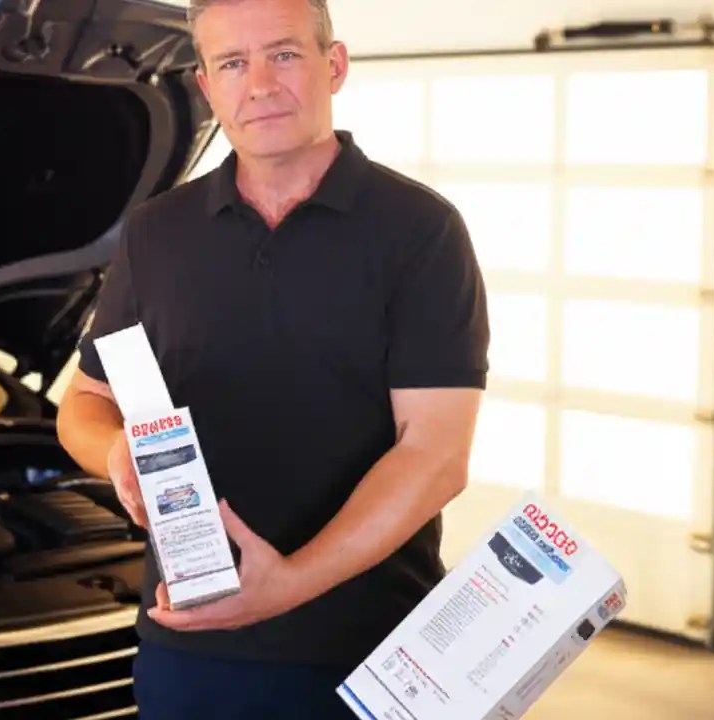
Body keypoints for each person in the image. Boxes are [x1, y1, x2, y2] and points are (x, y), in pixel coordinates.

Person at [55, 0, 490, 716]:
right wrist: (112, 455)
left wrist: (286, 583)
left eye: (284, 54)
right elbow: (88, 402)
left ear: (334, 65)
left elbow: (435, 454)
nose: (259, 83)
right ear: (206, 85)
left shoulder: (420, 232)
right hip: (187, 647)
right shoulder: (156, 235)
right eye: (232, 62)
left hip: (366, 654)